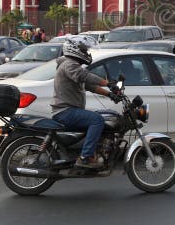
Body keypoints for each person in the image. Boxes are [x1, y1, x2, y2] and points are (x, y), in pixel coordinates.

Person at [50, 40, 121, 169]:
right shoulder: (70, 65)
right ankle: (85, 157)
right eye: (84, 50)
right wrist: (107, 83)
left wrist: (110, 94)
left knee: (99, 116)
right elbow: (85, 76)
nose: (86, 53)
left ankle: (92, 152)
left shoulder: (70, 66)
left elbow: (89, 85)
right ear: (74, 50)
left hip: (68, 110)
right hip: (65, 111)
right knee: (97, 120)